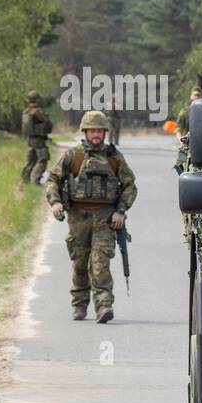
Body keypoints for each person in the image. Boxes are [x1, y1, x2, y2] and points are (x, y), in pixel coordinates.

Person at [45, 110, 138, 323]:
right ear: (85, 132)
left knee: (100, 261)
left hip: (106, 217)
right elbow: (52, 180)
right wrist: (56, 202)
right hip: (78, 217)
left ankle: (103, 305)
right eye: (92, 131)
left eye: (100, 131)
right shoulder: (74, 156)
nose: (96, 135)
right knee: (80, 262)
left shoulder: (114, 158)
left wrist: (120, 211)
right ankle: (79, 303)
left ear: (105, 132)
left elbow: (129, 186)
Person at [19, 90, 51, 184]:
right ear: (37, 100)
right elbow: (47, 123)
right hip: (39, 139)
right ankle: (35, 180)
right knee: (43, 159)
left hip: (30, 139)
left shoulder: (26, 111)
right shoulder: (37, 112)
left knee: (32, 160)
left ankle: (25, 179)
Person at [174, 85, 201, 174]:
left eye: (199, 95)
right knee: (182, 168)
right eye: (195, 95)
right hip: (187, 145)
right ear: (191, 97)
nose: (197, 97)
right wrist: (181, 142)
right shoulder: (185, 112)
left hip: (201, 145)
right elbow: (178, 130)